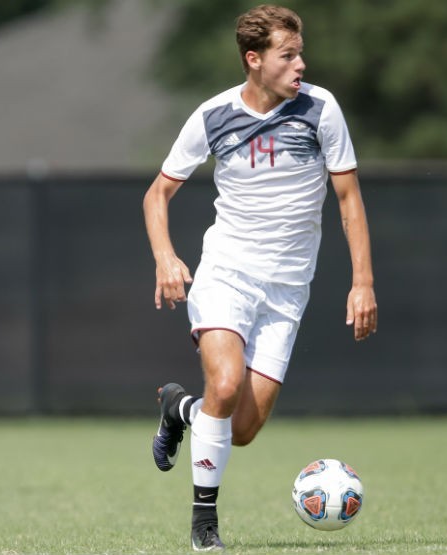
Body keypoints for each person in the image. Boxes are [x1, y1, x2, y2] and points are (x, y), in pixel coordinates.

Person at [143, 4, 377, 550]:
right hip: (227, 272)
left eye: (301, 54)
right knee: (225, 386)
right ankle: (205, 526)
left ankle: (179, 407)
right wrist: (165, 256)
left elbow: (349, 200)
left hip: (287, 290)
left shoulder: (321, 109)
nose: (301, 65)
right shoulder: (213, 115)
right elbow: (157, 194)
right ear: (254, 59)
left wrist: (362, 281)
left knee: (241, 429)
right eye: (287, 56)